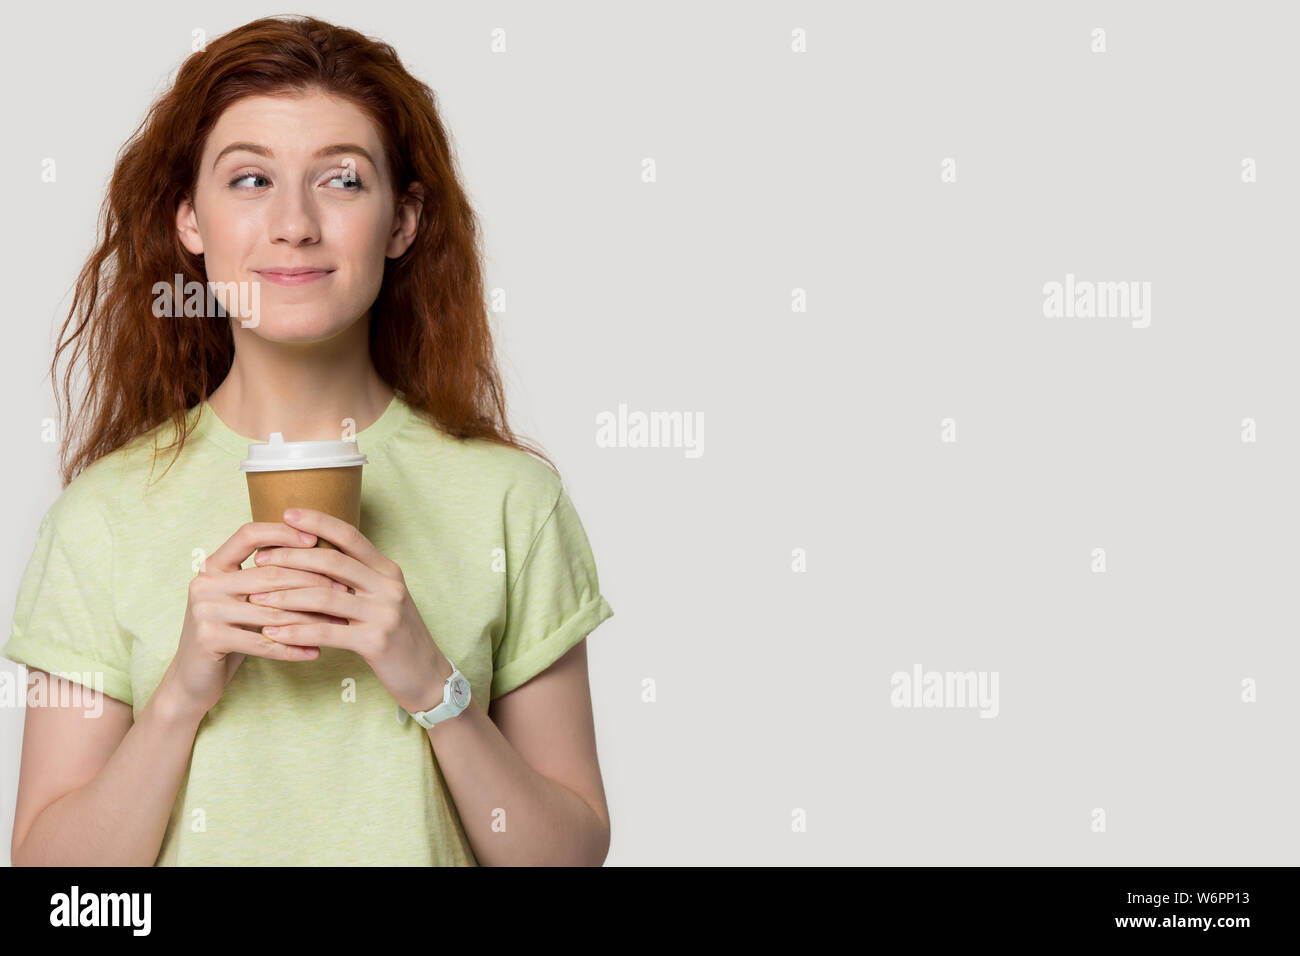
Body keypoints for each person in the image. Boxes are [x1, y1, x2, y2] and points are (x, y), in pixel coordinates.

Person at [3, 15, 614, 866]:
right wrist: (181, 694)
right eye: (250, 179)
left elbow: (567, 857)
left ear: (402, 223)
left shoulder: (514, 502)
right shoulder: (96, 519)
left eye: (342, 180)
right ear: (189, 219)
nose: (293, 224)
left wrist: (432, 684)